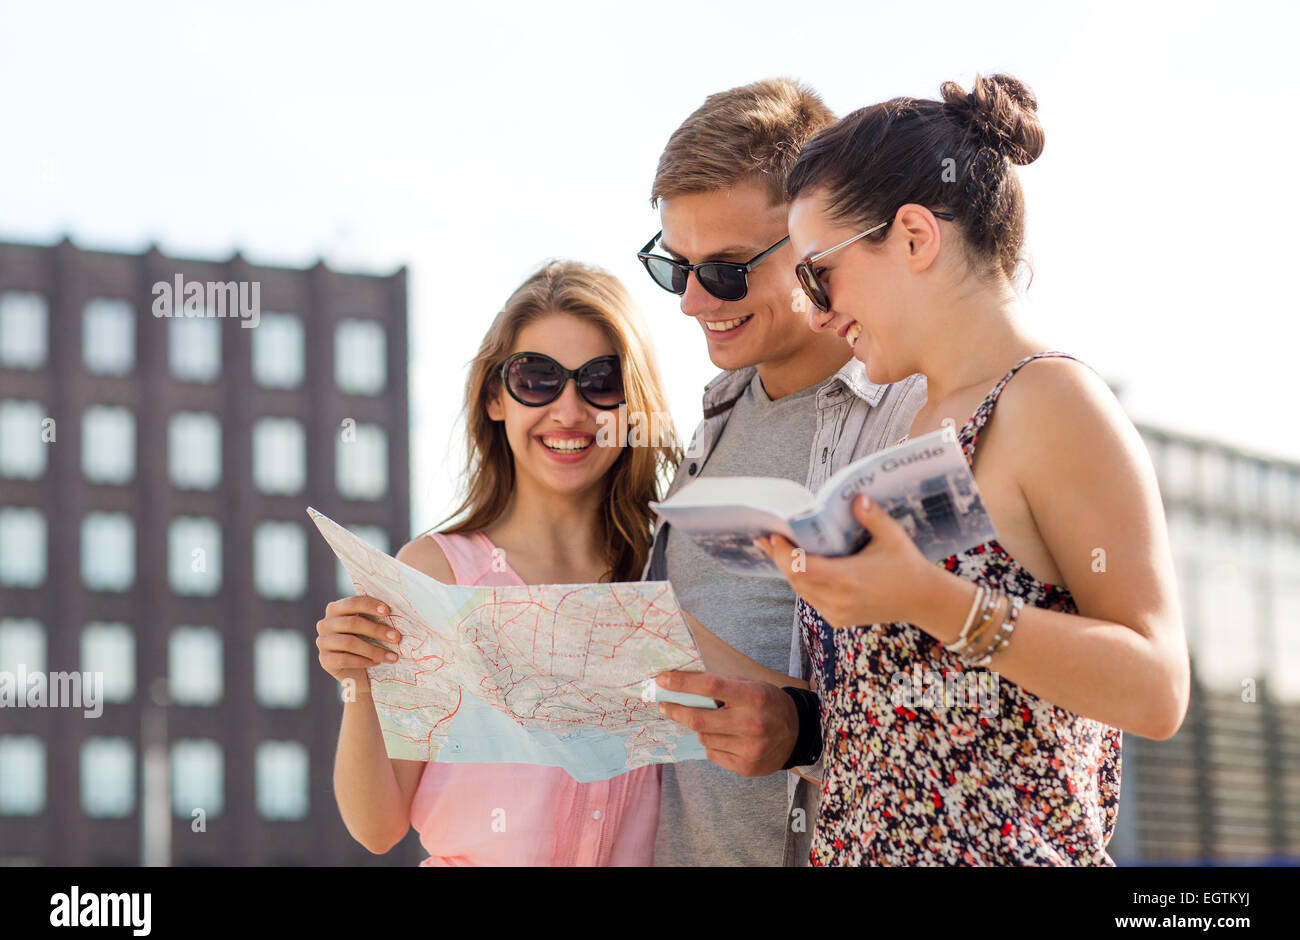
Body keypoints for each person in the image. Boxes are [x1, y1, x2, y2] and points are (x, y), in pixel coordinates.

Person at [745, 73, 1188, 864]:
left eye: (818, 274)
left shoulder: (1051, 402)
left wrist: (931, 599)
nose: (813, 312)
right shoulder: (917, 423)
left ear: (914, 236)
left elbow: (1157, 689)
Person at [638, 78, 926, 866]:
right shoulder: (716, 417)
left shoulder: (912, 420)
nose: (694, 302)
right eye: (676, 267)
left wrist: (806, 728)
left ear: (812, 240)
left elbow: (963, 713)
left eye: (727, 271)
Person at [316, 260, 688, 865]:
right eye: (538, 378)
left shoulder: (667, 569)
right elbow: (376, 825)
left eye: (601, 380)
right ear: (495, 397)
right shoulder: (436, 575)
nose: (569, 411)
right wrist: (359, 683)